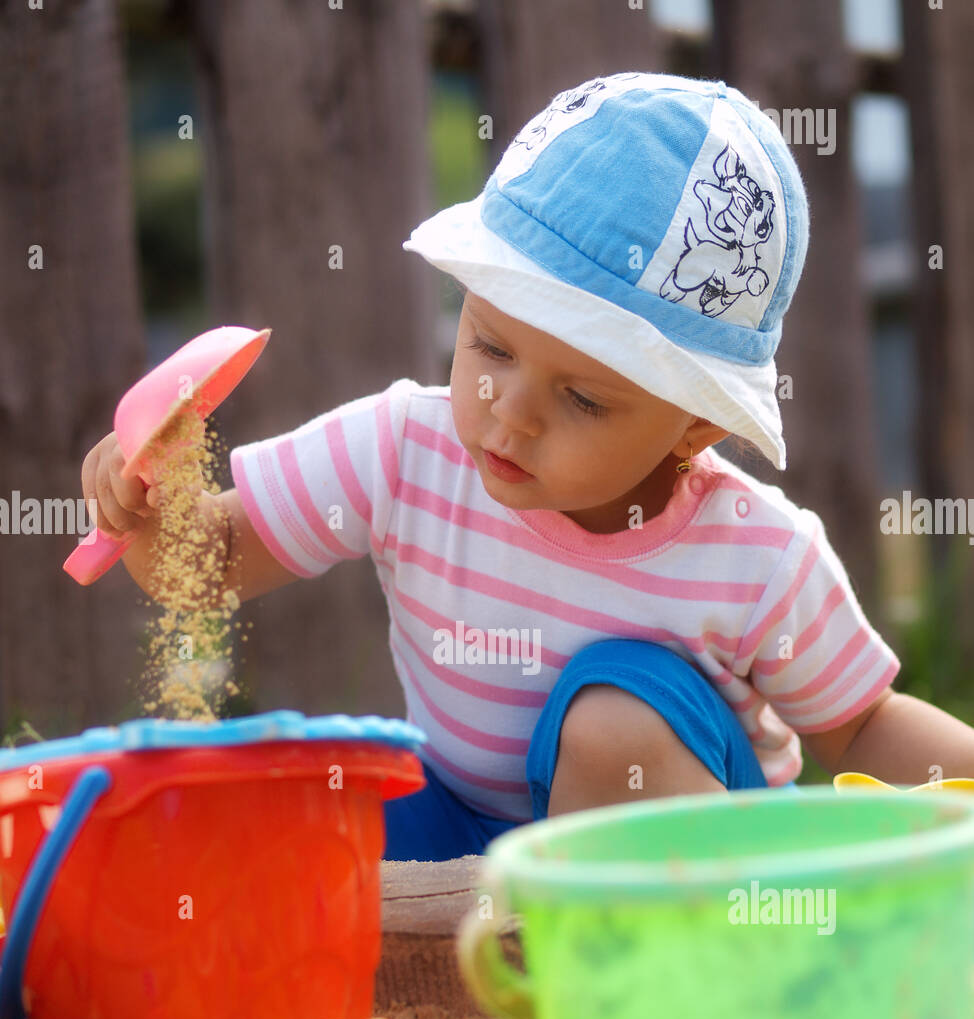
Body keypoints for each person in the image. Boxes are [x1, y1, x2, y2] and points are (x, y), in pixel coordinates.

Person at [81, 72, 974, 862]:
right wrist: (151, 505)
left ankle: (685, 960)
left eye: (582, 399)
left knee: (616, 710)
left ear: (695, 429)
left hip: (685, 843)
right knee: (318, 820)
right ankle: (487, 969)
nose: (510, 411)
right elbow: (207, 566)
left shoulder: (754, 558)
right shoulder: (403, 451)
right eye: (490, 348)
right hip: (475, 821)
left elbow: (861, 725)